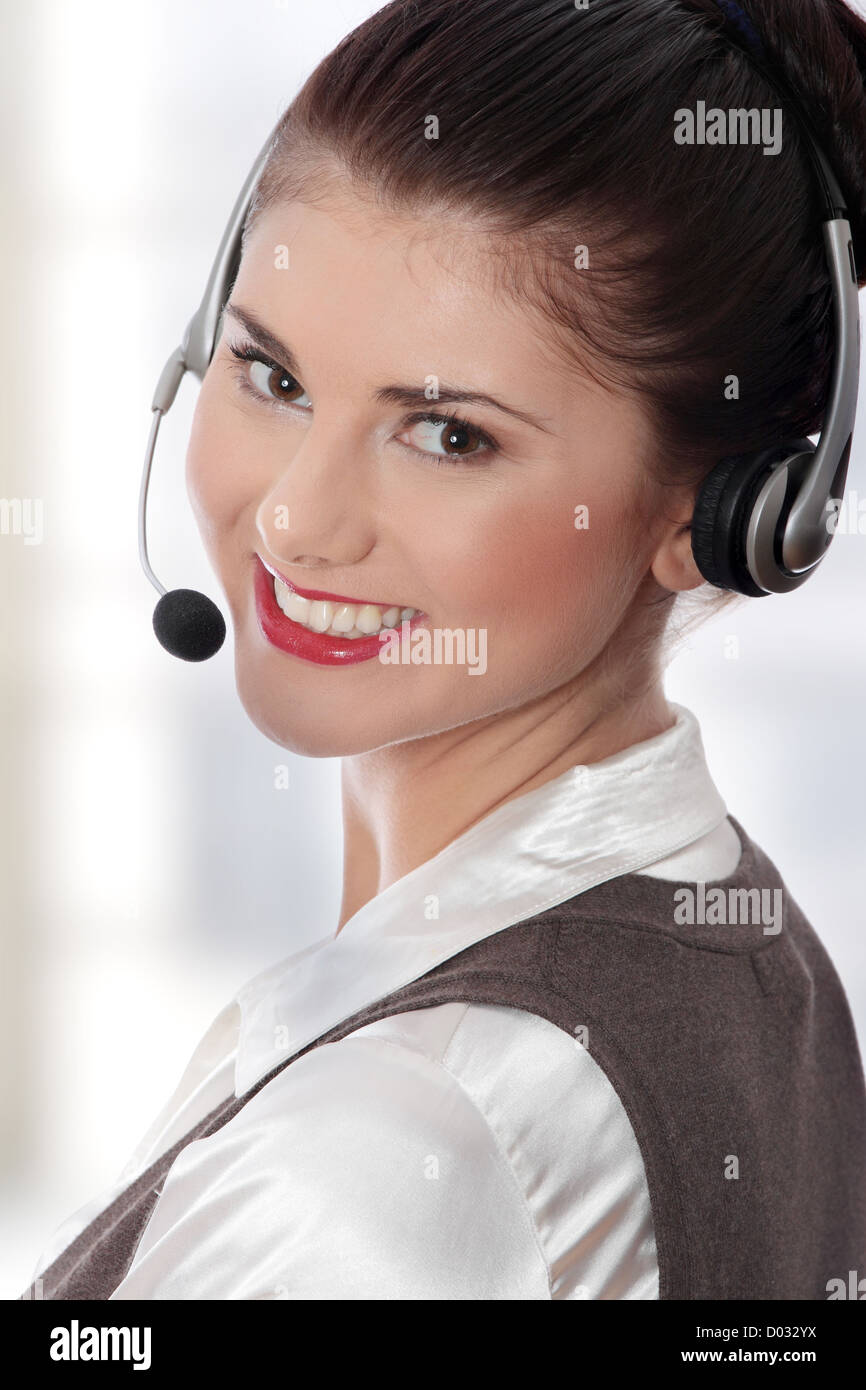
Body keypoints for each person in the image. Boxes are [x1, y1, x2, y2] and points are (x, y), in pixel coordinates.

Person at [21, 0, 866, 1300]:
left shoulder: (379, 1160)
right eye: (273, 375)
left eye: (447, 435)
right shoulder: (746, 959)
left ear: (726, 508)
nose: (297, 517)